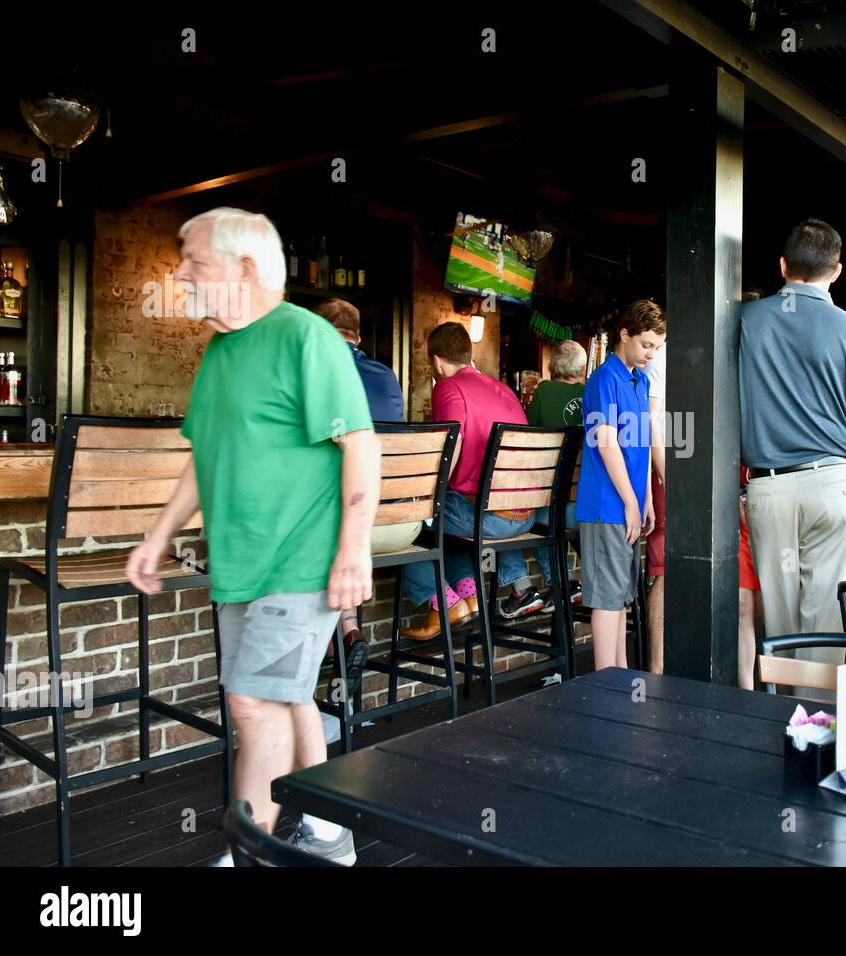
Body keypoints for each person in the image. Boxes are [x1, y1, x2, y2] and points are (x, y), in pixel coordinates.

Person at [127, 208, 380, 865]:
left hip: (302, 560)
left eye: (195, 261)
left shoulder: (305, 337)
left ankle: (249, 852)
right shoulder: (220, 348)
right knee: (277, 698)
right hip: (242, 564)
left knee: (252, 703)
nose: (180, 273)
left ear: (244, 269)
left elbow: (361, 444)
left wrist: (353, 547)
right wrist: (157, 536)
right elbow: (202, 457)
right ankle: (327, 833)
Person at [740, 219, 846, 641]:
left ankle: (783, 705)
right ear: (837, 270)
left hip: (768, 488)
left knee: (780, 619)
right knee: (827, 619)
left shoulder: (746, 321)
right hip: (832, 484)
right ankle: (818, 708)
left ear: (783, 264)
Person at [399, 323, 540, 639]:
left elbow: (453, 445)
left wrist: (423, 502)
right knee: (448, 515)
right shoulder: (503, 389)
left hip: (487, 519)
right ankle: (470, 594)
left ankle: (442, 603)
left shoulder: (448, 387)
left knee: (409, 522)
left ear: (436, 361)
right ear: (469, 354)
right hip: (524, 517)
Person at [313, 298, 410, 702]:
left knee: (312, 528)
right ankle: (347, 636)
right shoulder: (387, 374)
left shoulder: (319, 372)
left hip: (352, 526)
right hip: (402, 524)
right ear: (357, 334)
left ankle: (316, 658)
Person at [578, 299, 666, 670]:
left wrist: (645, 498)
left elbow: (643, 445)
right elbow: (606, 441)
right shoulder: (603, 379)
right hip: (605, 505)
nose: (651, 354)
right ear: (624, 334)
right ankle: (604, 685)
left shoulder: (640, 380)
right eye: (646, 345)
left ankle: (619, 679)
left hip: (628, 502)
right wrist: (631, 500)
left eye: (657, 348)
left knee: (620, 598)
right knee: (607, 601)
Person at [506, 339, 588, 618]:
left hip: (553, 512)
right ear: (582, 368)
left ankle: (560, 583)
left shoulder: (544, 390)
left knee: (538, 510)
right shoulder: (591, 393)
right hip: (586, 510)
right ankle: (571, 584)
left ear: (552, 367)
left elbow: (527, 441)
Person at [643, 340, 667, 674]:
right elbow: (652, 422)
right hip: (671, 465)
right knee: (666, 569)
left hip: (699, 462)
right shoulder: (663, 355)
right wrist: (665, 474)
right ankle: (658, 668)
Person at [737, 466, 762, 691]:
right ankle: (747, 689)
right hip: (743, 509)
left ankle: (778, 686)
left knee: (771, 610)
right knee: (743, 607)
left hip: (774, 507)